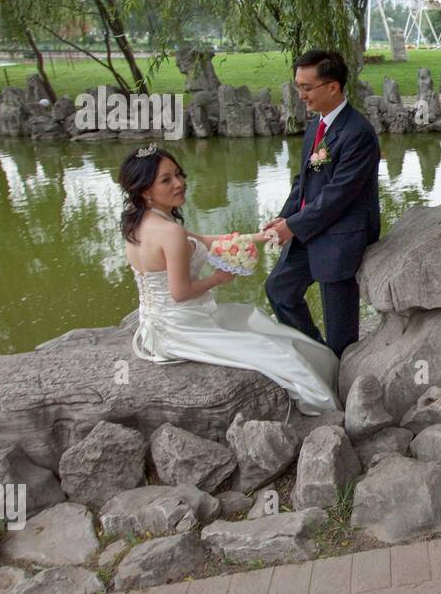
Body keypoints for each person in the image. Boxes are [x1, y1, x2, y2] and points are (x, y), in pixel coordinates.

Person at [119, 145, 339, 415]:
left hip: (160, 324)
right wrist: (218, 279)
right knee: (277, 351)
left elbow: (203, 241)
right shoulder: (169, 231)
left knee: (256, 320)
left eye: (178, 174)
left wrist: (261, 237)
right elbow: (180, 292)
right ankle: (327, 410)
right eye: (167, 180)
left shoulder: (140, 223)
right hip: (183, 329)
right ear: (145, 191)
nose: (179, 183)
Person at [262, 50, 381, 359]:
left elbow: (339, 195)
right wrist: (283, 217)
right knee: (279, 289)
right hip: (307, 228)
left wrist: (292, 226)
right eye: (298, 86)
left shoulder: (358, 133)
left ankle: (341, 384)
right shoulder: (317, 127)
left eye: (306, 87)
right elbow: (303, 182)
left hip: (340, 237)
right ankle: (316, 354)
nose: (300, 94)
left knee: (340, 330)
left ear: (332, 87)